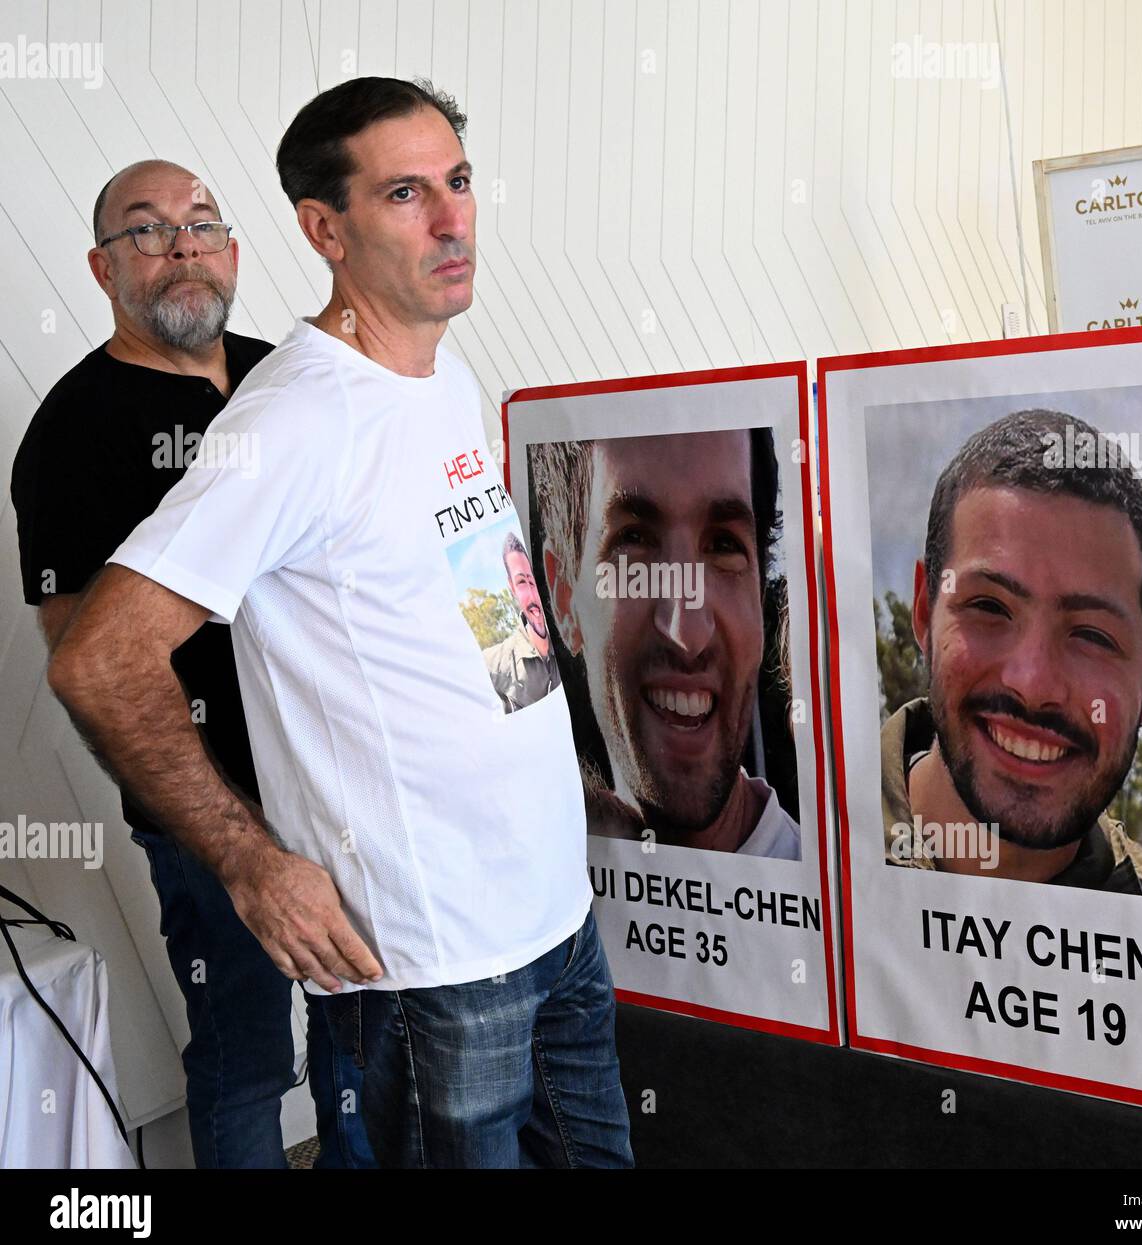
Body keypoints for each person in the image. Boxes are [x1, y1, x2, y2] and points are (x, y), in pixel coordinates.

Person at [45, 78, 632, 1169]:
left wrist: (555, 771)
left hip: (549, 918)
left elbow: (482, 614)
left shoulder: (437, 372)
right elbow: (99, 656)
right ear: (324, 229)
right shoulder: (294, 418)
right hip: (428, 959)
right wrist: (253, 862)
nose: (453, 218)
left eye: (457, 182)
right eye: (406, 193)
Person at [9, 159, 373, 1168]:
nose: (181, 246)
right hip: (213, 818)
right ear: (100, 267)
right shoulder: (72, 433)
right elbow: (88, 664)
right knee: (245, 1055)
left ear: (234, 253)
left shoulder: (290, 381)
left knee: (362, 1044)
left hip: (343, 788)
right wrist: (220, 832)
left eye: (202, 224)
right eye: (146, 229)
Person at [882, 408, 1142, 900]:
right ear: (926, 613)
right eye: (989, 606)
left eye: (1094, 636)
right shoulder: (800, 849)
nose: (1032, 684)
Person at [532, 428, 800, 860]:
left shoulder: (838, 909)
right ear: (564, 596)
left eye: (724, 546)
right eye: (633, 540)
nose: (686, 634)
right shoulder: (527, 890)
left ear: (761, 598)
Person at [482, 532, 561, 712]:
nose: (534, 595)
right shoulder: (494, 665)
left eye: (534, 581)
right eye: (522, 582)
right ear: (512, 587)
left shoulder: (572, 640)